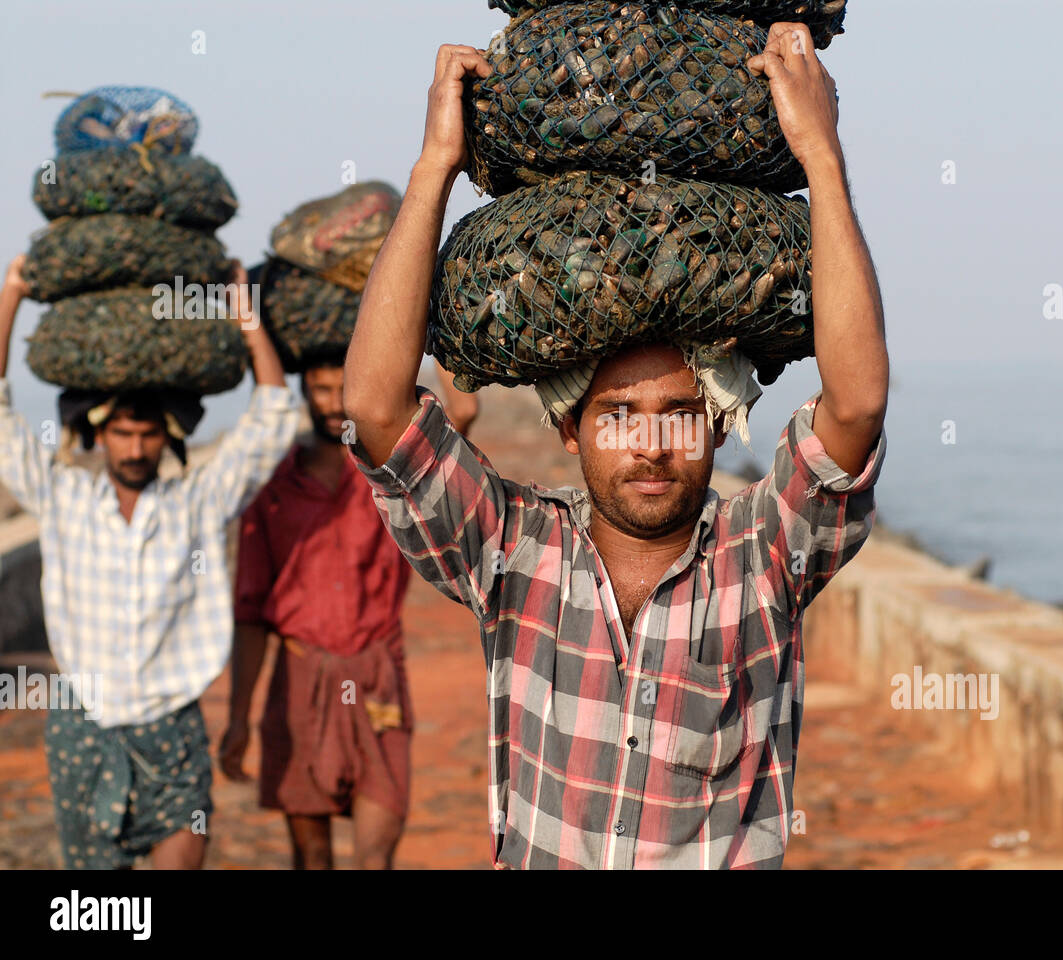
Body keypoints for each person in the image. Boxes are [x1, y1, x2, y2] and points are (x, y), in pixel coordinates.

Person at [343, 24, 889, 869]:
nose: (651, 445)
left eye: (677, 412)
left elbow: (856, 405)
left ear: (714, 422)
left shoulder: (762, 557)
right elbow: (377, 411)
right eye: (618, 415)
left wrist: (820, 155)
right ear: (570, 428)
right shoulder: (514, 552)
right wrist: (433, 170)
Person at [0, 257, 299, 869]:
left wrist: (245, 317)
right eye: (123, 435)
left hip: (172, 729)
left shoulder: (195, 503)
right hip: (84, 729)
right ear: (99, 434)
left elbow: (272, 416)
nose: (135, 449)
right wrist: (12, 294)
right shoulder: (63, 499)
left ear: (166, 436)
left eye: (147, 435)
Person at [220, 349, 477, 869]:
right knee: (311, 857)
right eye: (320, 389)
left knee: (374, 855)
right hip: (298, 680)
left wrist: (427, 331)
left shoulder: (390, 476)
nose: (335, 404)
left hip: (377, 672)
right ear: (303, 394)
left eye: (344, 389)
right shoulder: (270, 490)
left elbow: (464, 413)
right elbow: (250, 613)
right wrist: (239, 718)